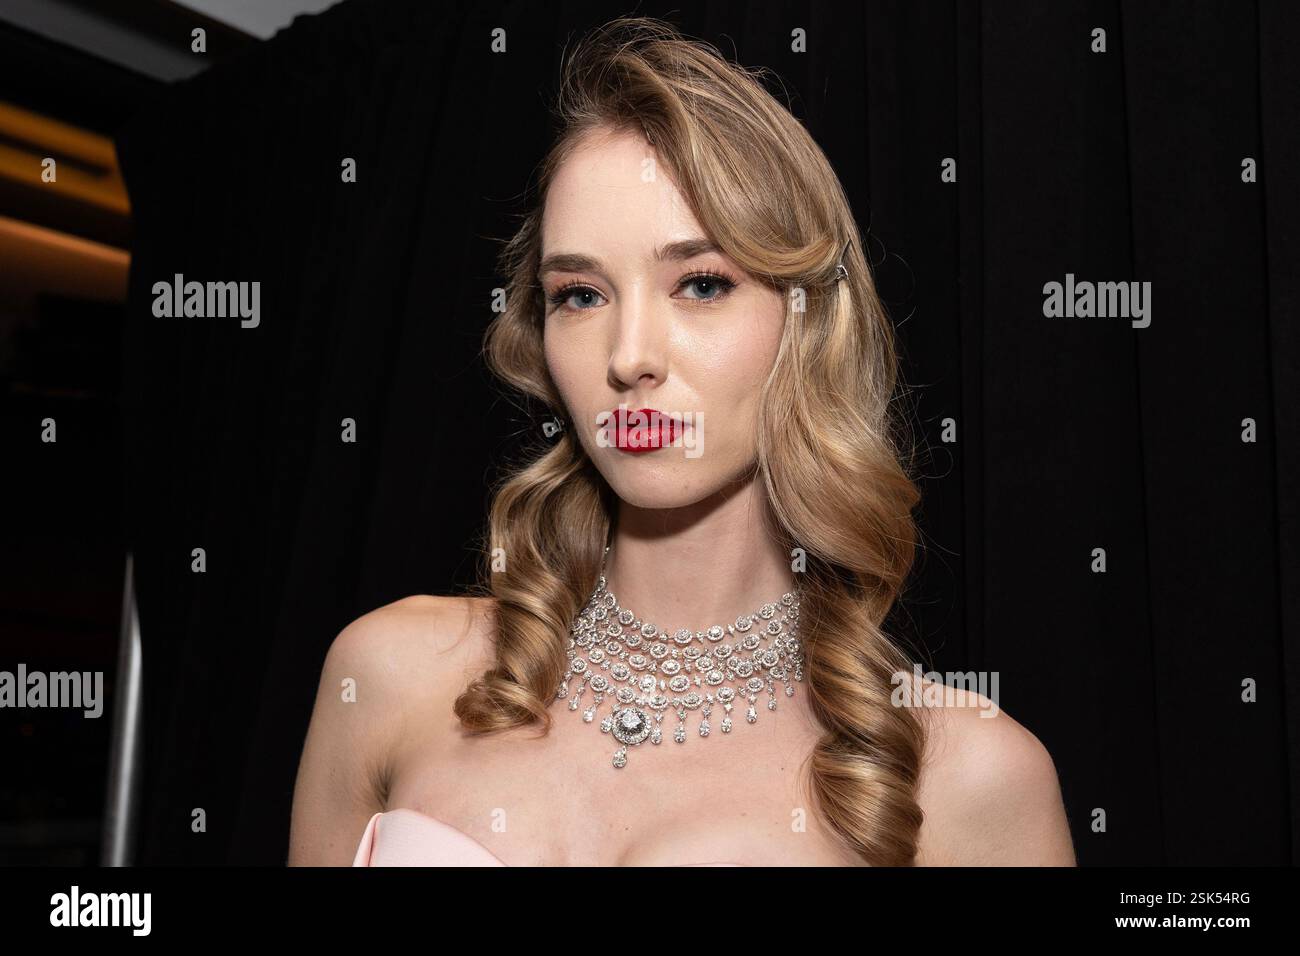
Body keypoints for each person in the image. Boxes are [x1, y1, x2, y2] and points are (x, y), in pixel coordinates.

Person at [288, 15, 1075, 867]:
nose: (628, 358)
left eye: (700, 284)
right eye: (580, 295)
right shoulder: (389, 677)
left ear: (809, 325)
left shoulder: (967, 777)